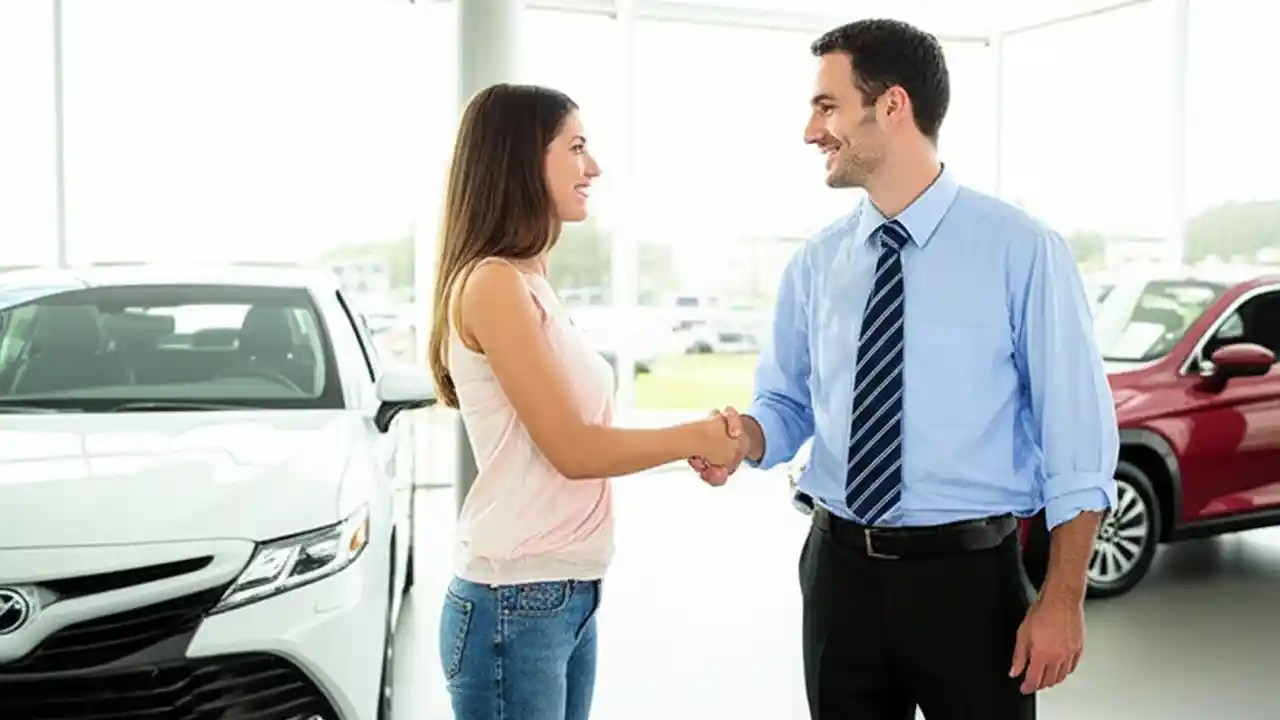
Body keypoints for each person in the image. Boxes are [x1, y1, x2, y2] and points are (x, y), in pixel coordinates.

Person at [691, 18, 1119, 720]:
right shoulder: (816, 263)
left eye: (826, 106)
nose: (810, 131)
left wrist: (1063, 599)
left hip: (971, 585)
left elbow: (1077, 441)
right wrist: (743, 439)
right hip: (838, 578)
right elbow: (787, 406)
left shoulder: (1022, 250)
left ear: (892, 105)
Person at [428, 83, 741, 720]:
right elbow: (572, 450)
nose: (592, 166)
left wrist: (686, 447)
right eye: (575, 147)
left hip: (563, 593)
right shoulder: (492, 284)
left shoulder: (528, 281)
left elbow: (578, 437)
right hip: (515, 602)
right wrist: (696, 437)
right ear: (521, 160)